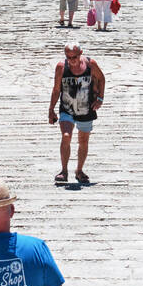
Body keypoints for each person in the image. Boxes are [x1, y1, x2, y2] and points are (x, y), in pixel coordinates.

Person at [48, 42, 105, 184]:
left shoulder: (91, 64)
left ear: (81, 53)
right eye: (68, 57)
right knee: (66, 136)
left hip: (86, 108)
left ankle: (79, 170)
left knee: (83, 141)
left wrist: (100, 98)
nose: (71, 60)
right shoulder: (61, 67)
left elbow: (102, 78)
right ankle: (64, 170)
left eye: (74, 57)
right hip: (67, 108)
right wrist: (51, 109)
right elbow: (56, 89)